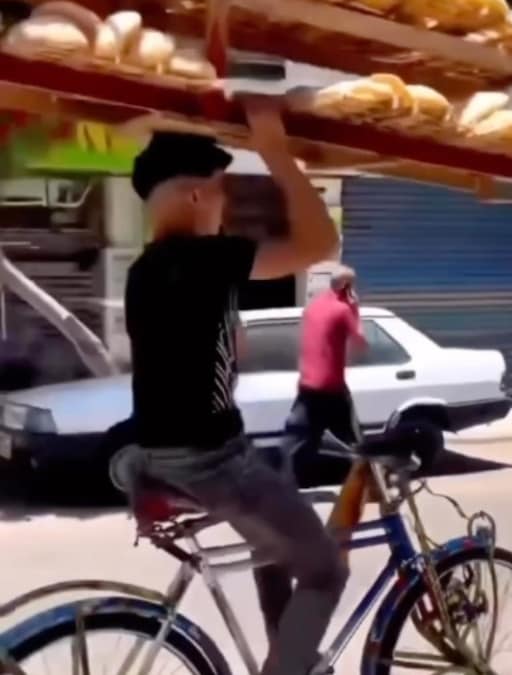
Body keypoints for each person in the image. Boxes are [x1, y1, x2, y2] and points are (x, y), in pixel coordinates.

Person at [115, 97, 343, 675]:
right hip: (211, 461)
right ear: (195, 196)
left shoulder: (145, 271)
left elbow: (206, 349)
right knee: (325, 568)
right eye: (222, 192)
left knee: (272, 513)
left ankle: (286, 650)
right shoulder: (205, 260)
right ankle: (287, 668)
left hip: (159, 456)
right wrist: (275, 152)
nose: (225, 206)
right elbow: (322, 244)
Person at [280, 264, 366, 475]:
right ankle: (369, 483)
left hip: (307, 384)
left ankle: (283, 484)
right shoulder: (343, 309)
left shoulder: (312, 307)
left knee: (297, 440)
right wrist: (354, 309)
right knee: (353, 440)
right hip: (331, 388)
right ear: (347, 286)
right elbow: (361, 343)